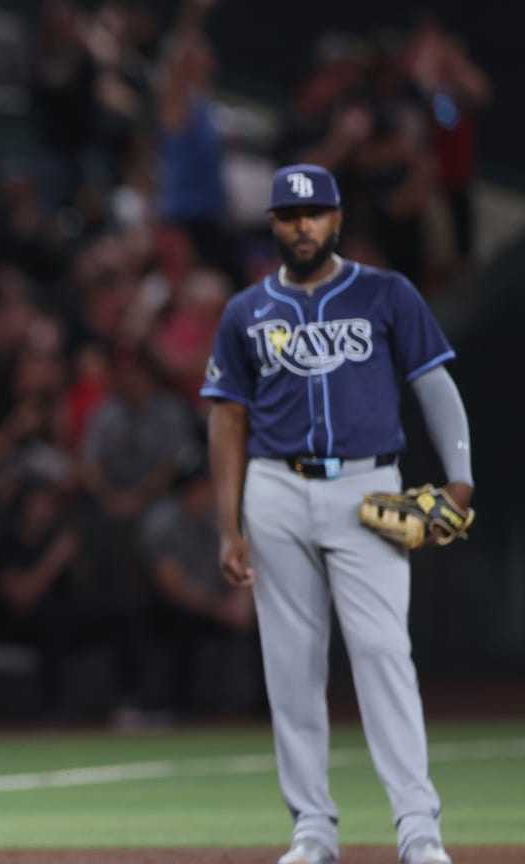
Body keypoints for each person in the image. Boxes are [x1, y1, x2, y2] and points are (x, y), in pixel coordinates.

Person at [201, 164, 473, 864]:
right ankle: (313, 831)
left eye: (315, 213)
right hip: (275, 488)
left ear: (336, 217)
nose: (303, 226)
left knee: (383, 653)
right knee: (290, 665)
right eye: (290, 216)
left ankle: (418, 829)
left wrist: (460, 479)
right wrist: (228, 524)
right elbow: (227, 417)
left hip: (367, 488)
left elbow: (433, 382)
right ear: (273, 224)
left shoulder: (386, 293)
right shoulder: (245, 312)